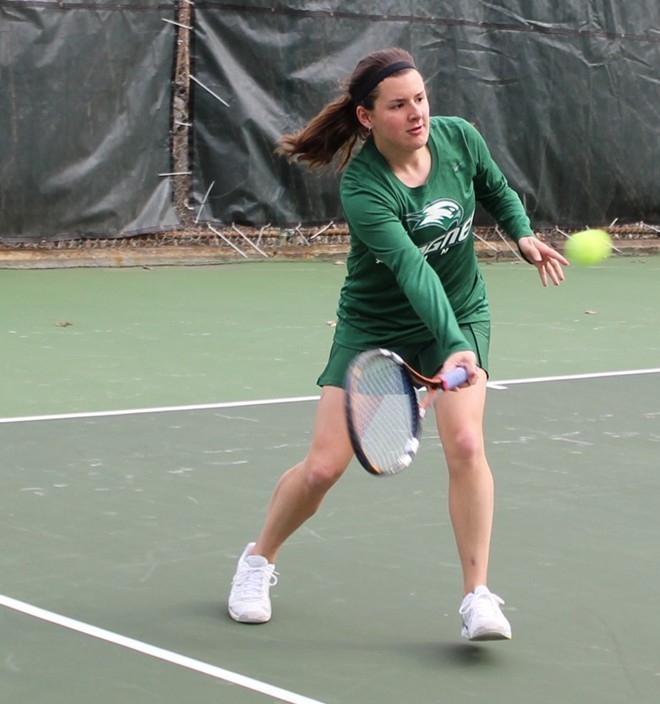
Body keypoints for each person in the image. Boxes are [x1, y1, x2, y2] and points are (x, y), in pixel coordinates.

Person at [227, 47, 567, 641]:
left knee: (465, 441)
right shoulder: (364, 189)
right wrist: (451, 344)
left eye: (420, 99)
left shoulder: (459, 139)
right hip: (376, 327)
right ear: (366, 117)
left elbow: (497, 187)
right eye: (398, 106)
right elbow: (413, 271)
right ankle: (257, 560)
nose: (417, 114)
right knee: (324, 468)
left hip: (461, 314)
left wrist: (522, 236)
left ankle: (477, 598)